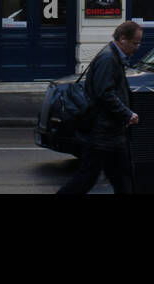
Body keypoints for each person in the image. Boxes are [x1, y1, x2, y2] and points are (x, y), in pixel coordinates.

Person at [57, 20, 143, 194]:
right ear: (122, 39)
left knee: (122, 177)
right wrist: (126, 114)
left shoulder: (113, 56)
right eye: (135, 42)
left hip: (110, 132)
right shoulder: (108, 59)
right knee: (88, 177)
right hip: (103, 133)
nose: (138, 47)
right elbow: (105, 94)